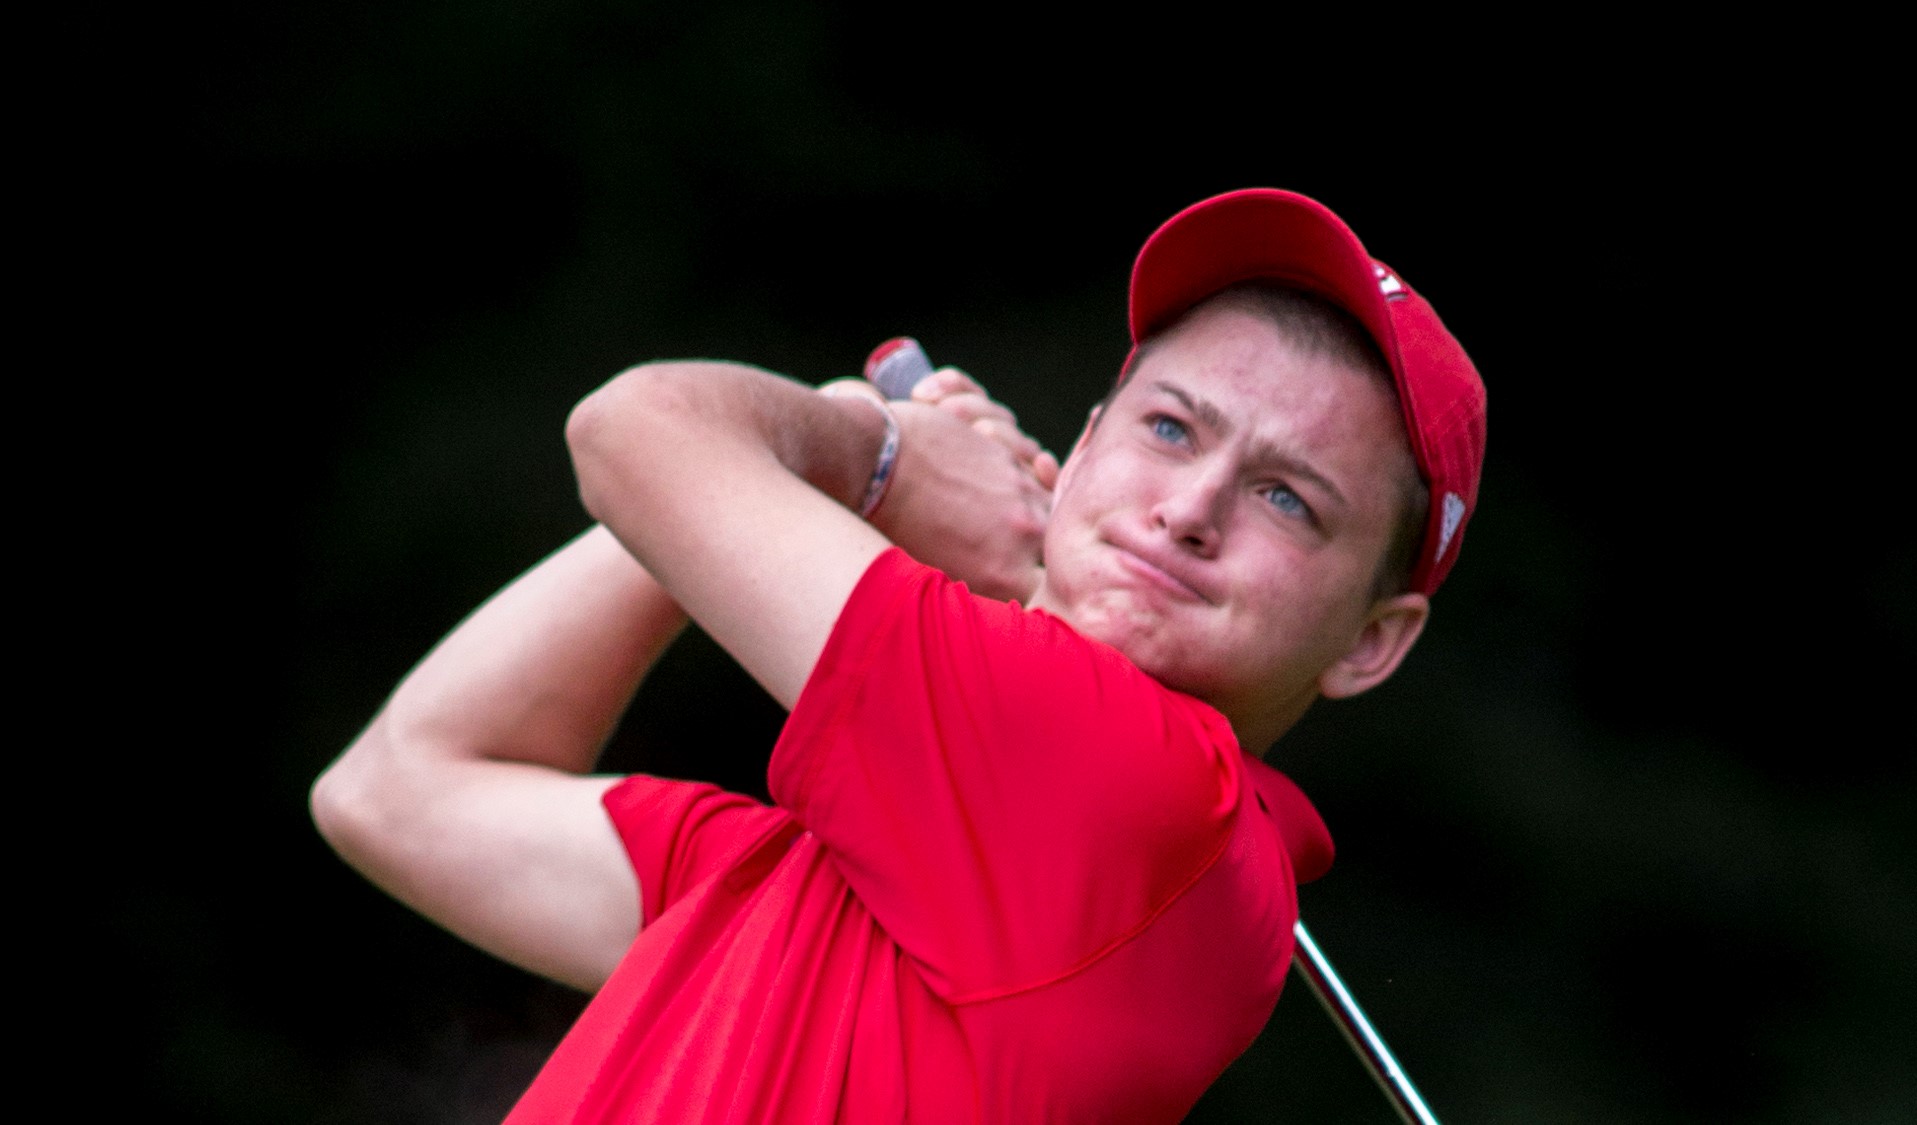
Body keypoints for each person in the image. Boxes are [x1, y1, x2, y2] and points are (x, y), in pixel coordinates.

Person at [312, 187, 1486, 1123]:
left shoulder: (1143, 792)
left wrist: (871, 457)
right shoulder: (885, 862)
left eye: (1287, 499)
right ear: (1073, 457)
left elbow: (631, 434)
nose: (1189, 506)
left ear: (1371, 645)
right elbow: (396, 791)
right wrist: (844, 473)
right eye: (1169, 428)